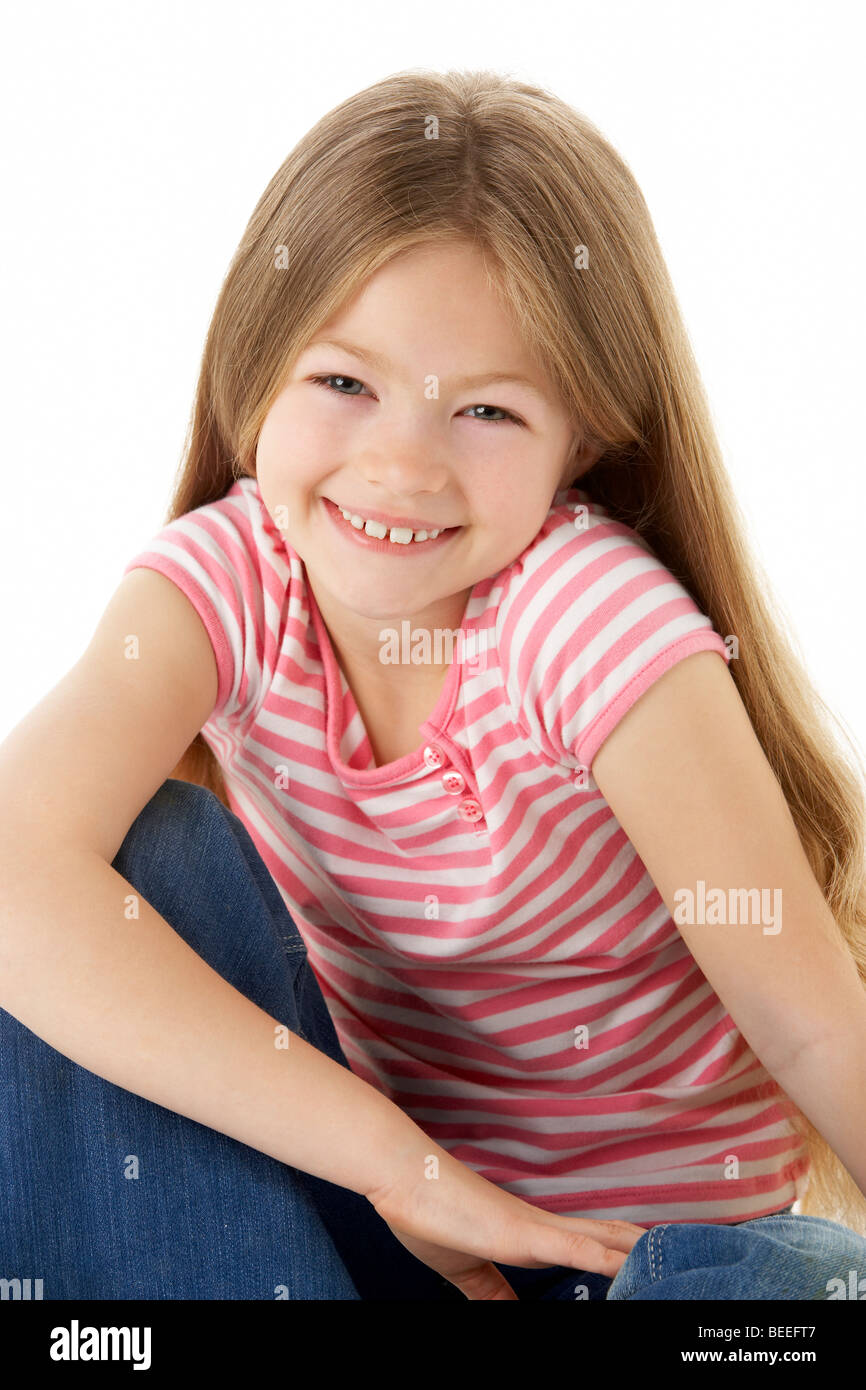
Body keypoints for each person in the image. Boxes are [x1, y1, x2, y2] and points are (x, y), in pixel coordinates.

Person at [2, 68, 865, 1302]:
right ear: (254, 375)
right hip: (381, 1243)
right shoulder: (227, 582)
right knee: (133, 856)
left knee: (783, 1294)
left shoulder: (590, 621)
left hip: (635, 1268)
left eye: (487, 412)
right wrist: (399, 1169)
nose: (400, 466)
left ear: (586, 439)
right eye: (344, 384)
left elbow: (812, 1028)